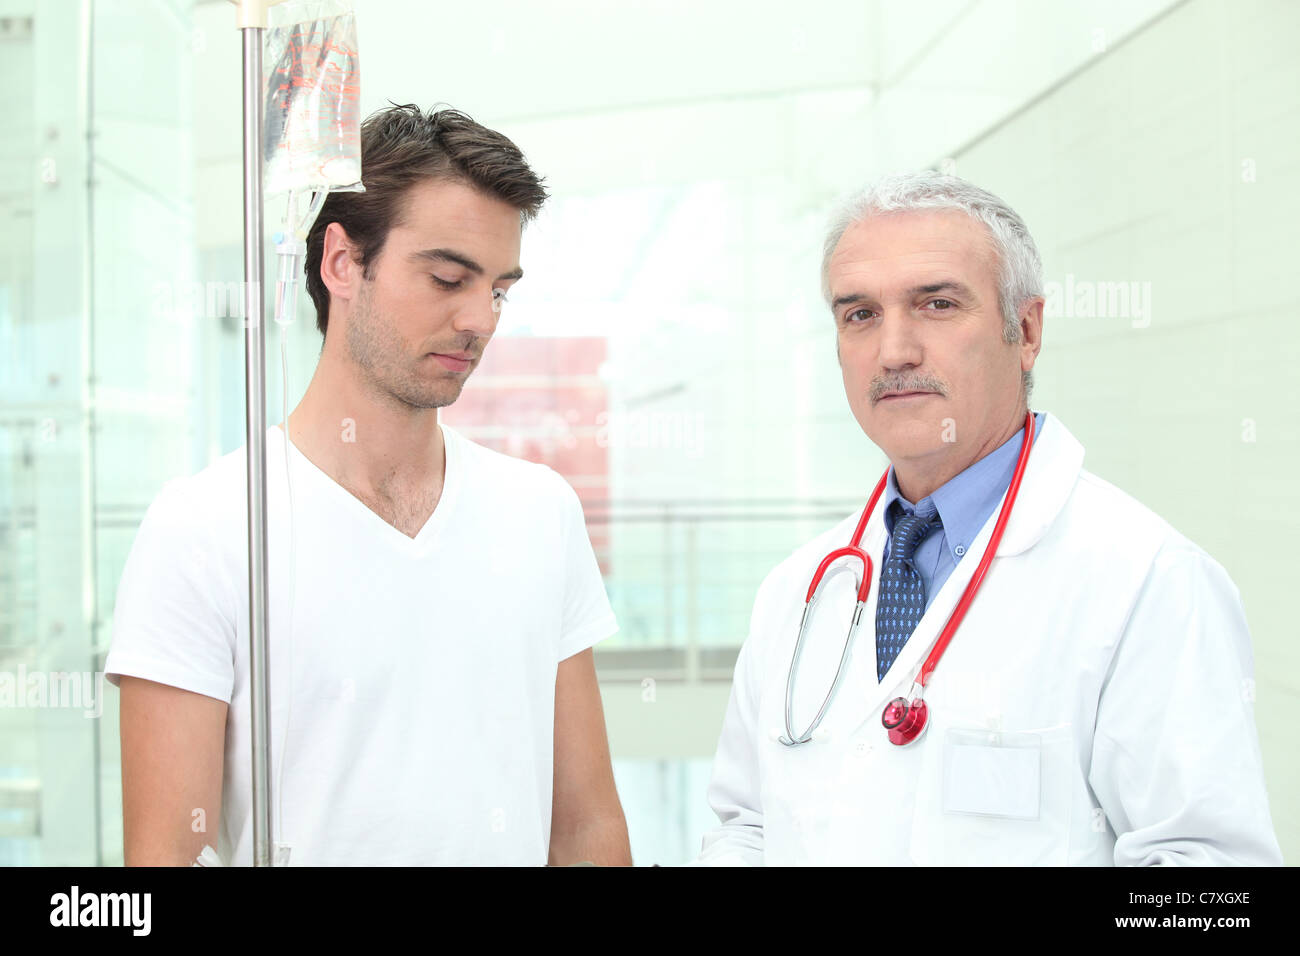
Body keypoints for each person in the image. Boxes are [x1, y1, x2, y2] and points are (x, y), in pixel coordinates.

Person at [696, 171, 1282, 866]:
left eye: (937, 304)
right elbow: (747, 827)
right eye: (860, 315)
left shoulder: (1146, 581)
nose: (893, 351)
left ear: (1026, 331)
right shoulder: (796, 593)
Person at [106, 105, 631, 866]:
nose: (478, 320)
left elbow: (585, 827)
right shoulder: (208, 529)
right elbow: (167, 861)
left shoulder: (539, 513)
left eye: (499, 289)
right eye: (448, 278)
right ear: (342, 263)